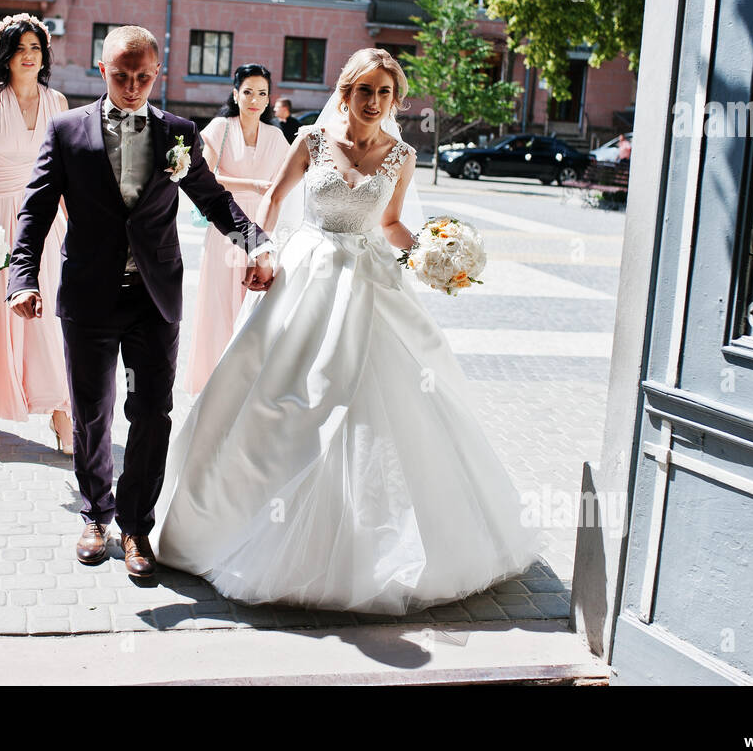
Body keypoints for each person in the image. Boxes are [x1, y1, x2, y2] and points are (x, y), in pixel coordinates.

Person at [152, 48, 546, 614]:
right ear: (346, 91)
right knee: (282, 394)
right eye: (366, 90)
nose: (375, 102)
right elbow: (272, 197)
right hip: (307, 273)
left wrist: (433, 256)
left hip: (369, 279)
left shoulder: (401, 155)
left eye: (386, 93)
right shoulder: (310, 139)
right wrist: (258, 250)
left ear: (395, 99)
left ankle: (370, 543)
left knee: (382, 399)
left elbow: (388, 222)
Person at [6, 25, 276, 577]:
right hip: (88, 296)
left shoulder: (179, 132)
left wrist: (258, 246)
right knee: (91, 415)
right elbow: (34, 210)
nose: (133, 87)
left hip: (154, 297)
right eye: (122, 76)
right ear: (101, 71)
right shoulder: (65, 131)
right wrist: (22, 279)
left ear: (158, 74)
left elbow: (214, 199)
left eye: (143, 77)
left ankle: (135, 526)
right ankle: (94, 514)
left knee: (152, 412)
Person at [0, 13, 74, 452]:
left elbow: (66, 173)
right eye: (20, 48)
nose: (29, 56)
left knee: (48, 318)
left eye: (36, 48)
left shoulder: (59, 102)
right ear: (4, 54)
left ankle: (61, 411)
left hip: (45, 219)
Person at [185, 64, 290, 394]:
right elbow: (207, 178)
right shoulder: (219, 128)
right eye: (248, 92)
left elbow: (289, 181)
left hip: (263, 225)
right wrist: (254, 185)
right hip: (224, 225)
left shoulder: (276, 136)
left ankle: (250, 381)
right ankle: (216, 381)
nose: (255, 99)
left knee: (256, 301)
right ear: (235, 94)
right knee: (220, 302)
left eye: (262, 93)